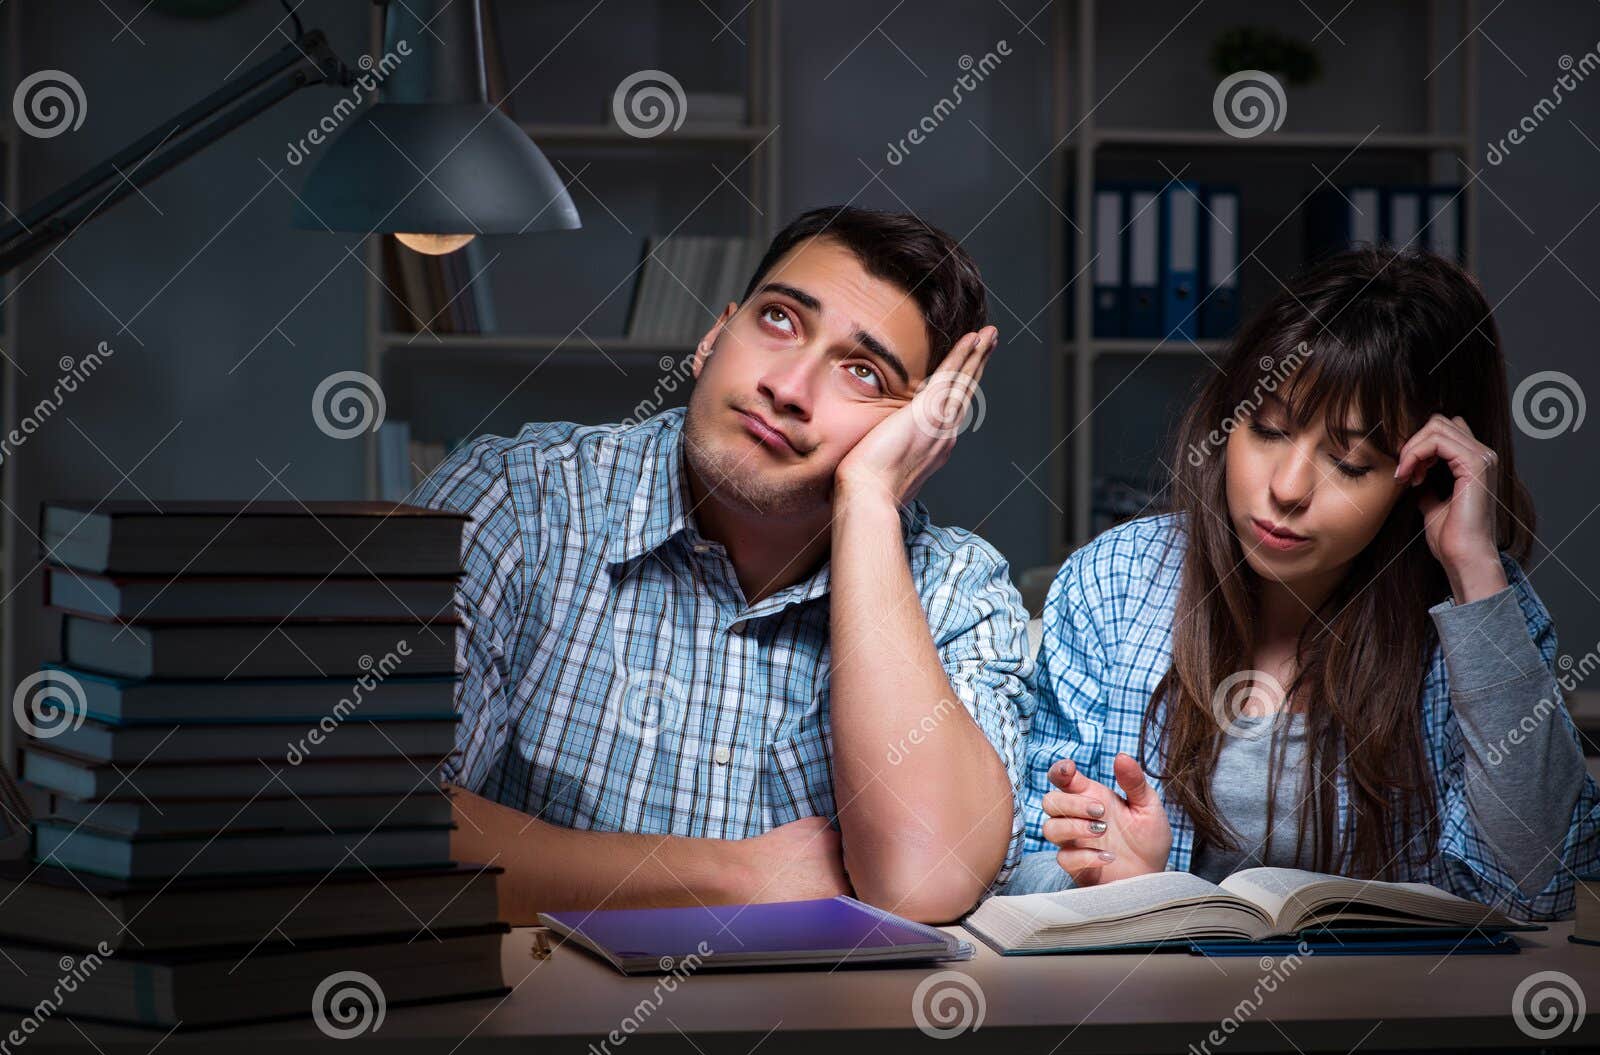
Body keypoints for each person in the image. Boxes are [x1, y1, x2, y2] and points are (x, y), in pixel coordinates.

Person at [417, 206, 1033, 925]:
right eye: (780, 321)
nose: (791, 388)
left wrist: (868, 499)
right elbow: (374, 831)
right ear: (716, 334)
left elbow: (923, 878)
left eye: (863, 373)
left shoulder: (960, 590)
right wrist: (734, 879)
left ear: (919, 430)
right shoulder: (517, 499)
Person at [1011, 246, 1599, 921]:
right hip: (1162, 1006)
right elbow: (1019, 867)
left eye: (1350, 463)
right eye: (1266, 430)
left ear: (1423, 479)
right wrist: (1121, 886)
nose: (1287, 490)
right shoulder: (1114, 582)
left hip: (1404, 1018)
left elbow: (1539, 886)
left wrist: (1473, 566)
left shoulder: (1482, 606)